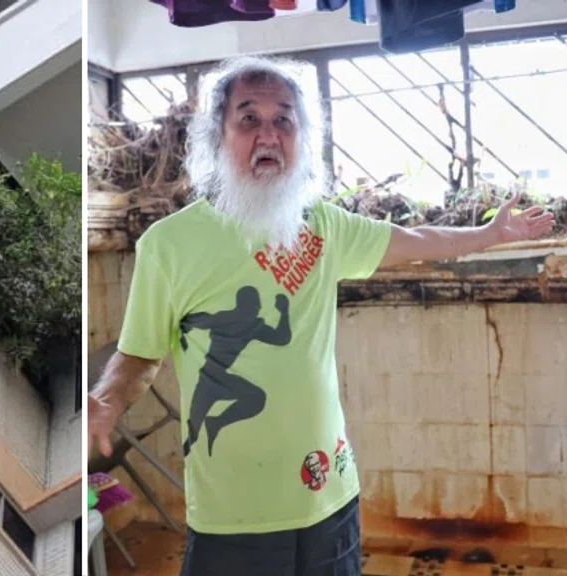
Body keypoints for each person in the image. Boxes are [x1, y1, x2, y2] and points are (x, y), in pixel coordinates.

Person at [87, 55, 554, 576]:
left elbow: (416, 240)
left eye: (283, 120)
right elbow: (139, 355)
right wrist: (105, 402)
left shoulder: (321, 225)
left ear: (300, 136)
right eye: (249, 119)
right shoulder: (168, 246)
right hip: (232, 518)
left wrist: (489, 235)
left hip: (328, 498)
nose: (269, 135)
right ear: (218, 137)